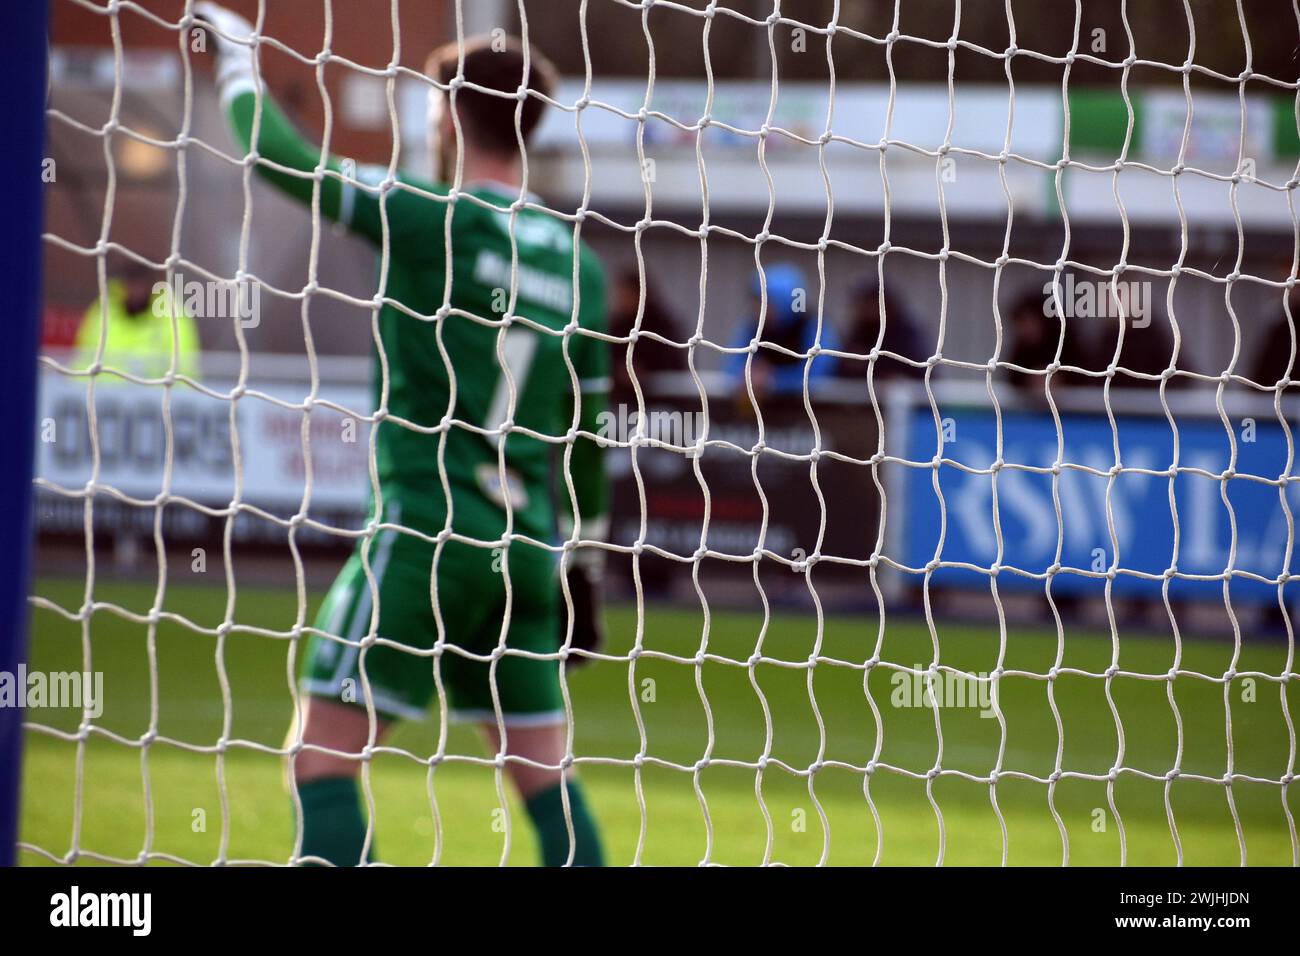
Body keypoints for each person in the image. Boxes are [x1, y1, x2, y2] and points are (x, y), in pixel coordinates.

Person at [199, 5, 609, 867]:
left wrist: (236, 60)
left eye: (430, 106)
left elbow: (284, 159)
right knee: (545, 779)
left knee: (320, 761)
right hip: (527, 556)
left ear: (452, 117)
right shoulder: (579, 264)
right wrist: (585, 569)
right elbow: (586, 437)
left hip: (426, 536)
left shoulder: (432, 217)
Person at [724, 263, 839, 402]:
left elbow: (818, 375)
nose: (757, 309)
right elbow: (731, 367)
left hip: (816, 414)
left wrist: (772, 381)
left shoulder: (815, 328)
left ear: (785, 302)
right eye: (756, 302)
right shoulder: (752, 326)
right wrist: (747, 375)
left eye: (766, 302)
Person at [74, 261, 200, 381]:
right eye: (131, 283)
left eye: (141, 284)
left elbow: (186, 368)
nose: (136, 291)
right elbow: (82, 360)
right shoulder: (103, 311)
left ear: (152, 285)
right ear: (122, 285)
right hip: (102, 398)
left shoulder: (173, 314)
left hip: (157, 399)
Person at [838, 277, 925, 381]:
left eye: (869, 303)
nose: (865, 309)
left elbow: (919, 370)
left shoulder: (905, 334)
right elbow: (844, 370)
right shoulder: (859, 332)